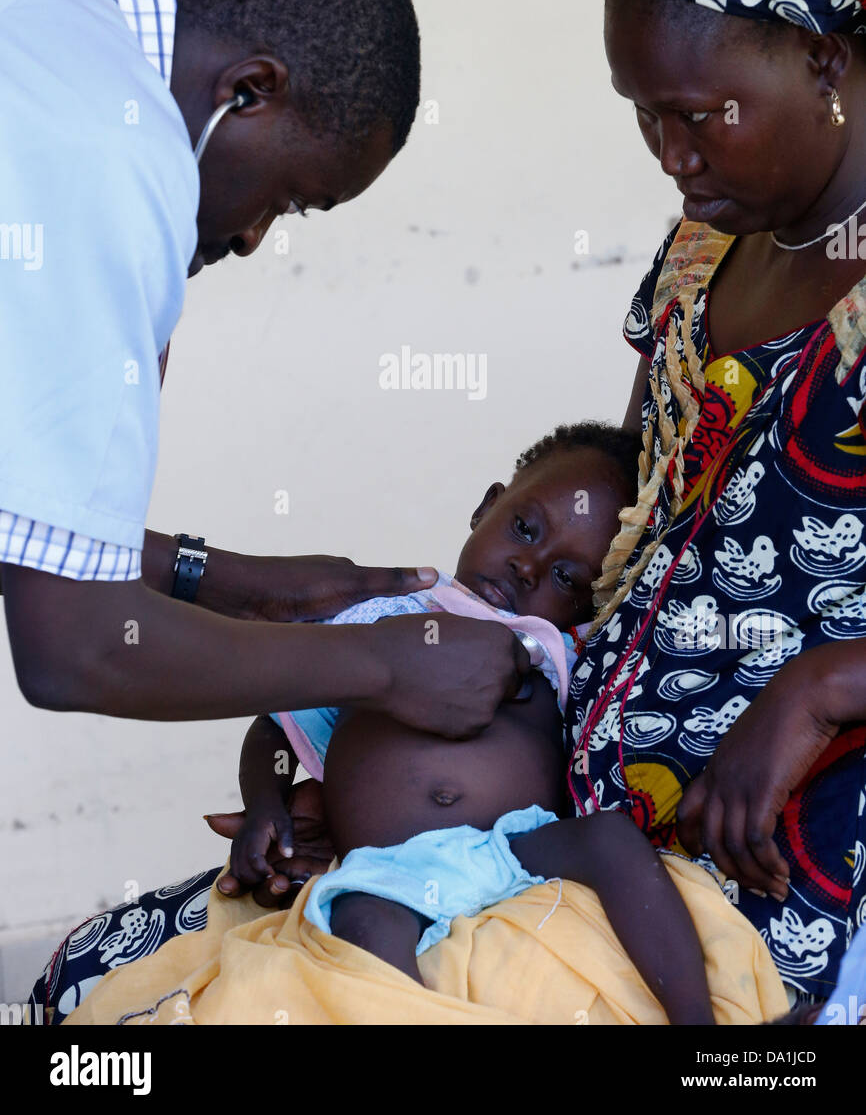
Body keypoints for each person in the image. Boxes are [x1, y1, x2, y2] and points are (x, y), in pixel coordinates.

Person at [0, 0, 527, 753]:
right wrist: (383, 665)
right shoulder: (114, 157)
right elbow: (76, 648)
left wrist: (211, 579)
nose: (251, 239)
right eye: (288, 201)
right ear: (248, 90)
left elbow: (26, 532)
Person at [60, 425, 784, 1026]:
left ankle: (705, 1033)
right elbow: (276, 731)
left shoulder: (569, 651)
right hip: (391, 864)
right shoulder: (387, 612)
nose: (531, 566)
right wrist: (268, 809)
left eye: (569, 577)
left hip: (514, 847)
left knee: (611, 841)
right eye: (525, 528)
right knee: (363, 923)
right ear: (486, 506)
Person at [567, 0, 866, 1003]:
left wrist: (821, 683)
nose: (667, 153)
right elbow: (635, 523)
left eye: (698, 114)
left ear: (825, 65)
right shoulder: (705, 249)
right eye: (640, 112)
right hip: (612, 841)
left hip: (790, 877)